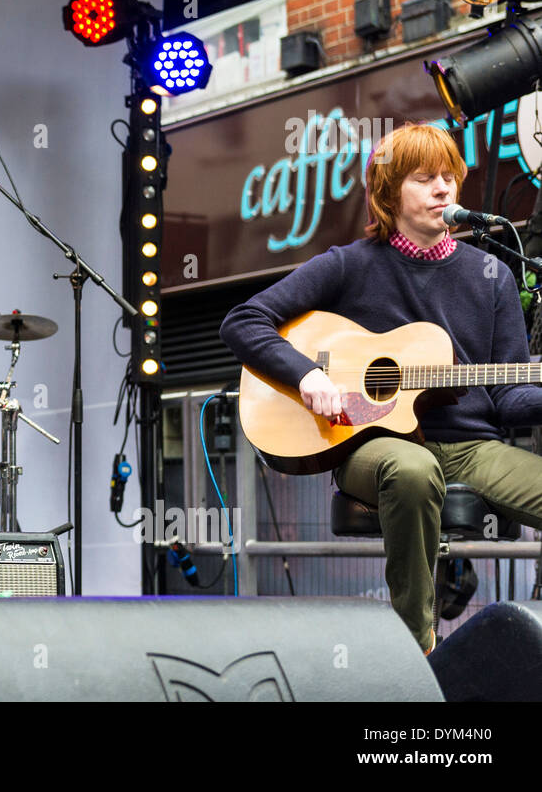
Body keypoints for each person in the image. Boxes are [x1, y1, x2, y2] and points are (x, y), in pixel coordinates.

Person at [221, 123, 542, 653]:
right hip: (372, 445)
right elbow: (244, 320)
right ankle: (417, 650)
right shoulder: (349, 265)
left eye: (450, 177)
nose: (443, 189)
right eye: (425, 178)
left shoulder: (492, 274)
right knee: (414, 469)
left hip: (472, 448)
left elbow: (508, 397)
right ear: (390, 192)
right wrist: (308, 375)